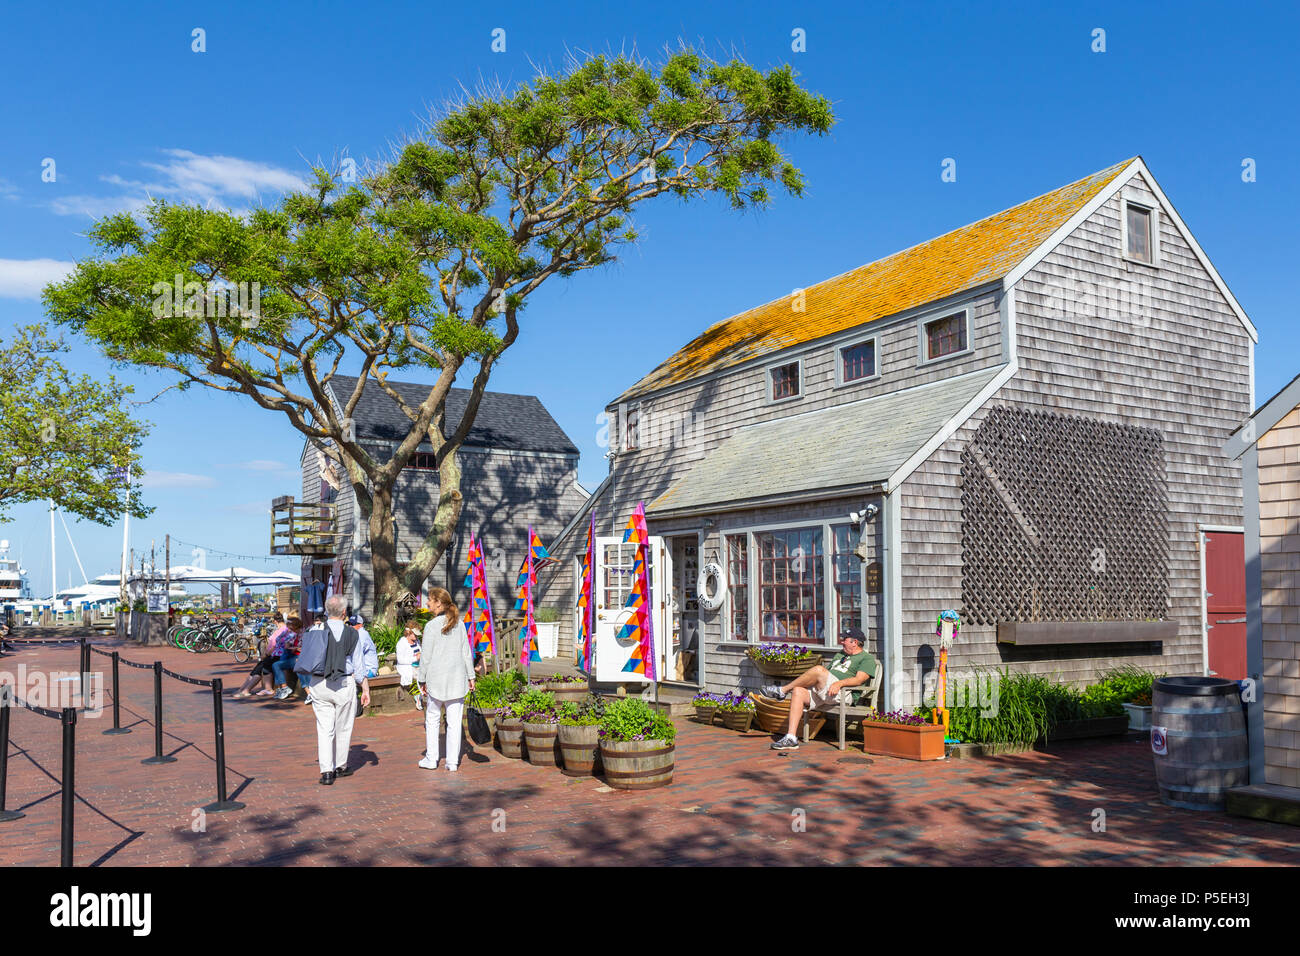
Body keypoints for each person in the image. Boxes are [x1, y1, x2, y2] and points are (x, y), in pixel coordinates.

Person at [762, 626, 877, 751]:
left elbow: (859, 679)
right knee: (798, 691)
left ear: (855, 642)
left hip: (842, 694)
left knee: (818, 670)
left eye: (845, 639)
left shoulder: (867, 658)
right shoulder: (841, 654)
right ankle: (791, 738)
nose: (842, 642)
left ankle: (782, 691)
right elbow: (827, 673)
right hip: (825, 691)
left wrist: (839, 684)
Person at [297, 595, 372, 785]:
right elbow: (358, 665)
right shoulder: (353, 633)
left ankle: (327, 771)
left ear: (327, 611)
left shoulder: (314, 629)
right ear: (345, 612)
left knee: (324, 728)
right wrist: (365, 689)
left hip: (319, 682)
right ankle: (341, 765)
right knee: (344, 726)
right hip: (344, 683)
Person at [416, 587, 475, 773]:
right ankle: (452, 762)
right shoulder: (459, 624)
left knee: (432, 719)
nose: (427, 603)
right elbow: (466, 653)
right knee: (454, 722)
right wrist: (471, 676)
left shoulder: (431, 626)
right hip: (457, 679)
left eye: (430, 600)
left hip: (436, 680)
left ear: (438, 603)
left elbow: (425, 656)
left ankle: (432, 758)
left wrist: (421, 679)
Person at [233, 611, 285, 698]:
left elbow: (275, 645)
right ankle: (242, 689)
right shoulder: (280, 629)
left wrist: (266, 654)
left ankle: (246, 690)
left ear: (275, 621)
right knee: (258, 667)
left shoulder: (282, 630)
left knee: (261, 666)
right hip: (272, 655)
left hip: (276, 655)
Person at [270, 616, 304, 700]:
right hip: (288, 654)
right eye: (287, 625)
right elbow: (279, 640)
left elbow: (288, 646)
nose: (288, 627)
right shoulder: (290, 633)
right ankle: (281, 688)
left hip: (295, 656)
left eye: (289, 625)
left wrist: (292, 647)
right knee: (276, 664)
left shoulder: (298, 634)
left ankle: (283, 688)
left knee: (278, 664)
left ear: (295, 625)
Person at [395, 621, 423, 710]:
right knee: (412, 678)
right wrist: (415, 658)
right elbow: (400, 660)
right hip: (407, 666)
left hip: (419, 666)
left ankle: (423, 696)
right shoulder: (401, 643)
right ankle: (418, 697)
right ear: (408, 633)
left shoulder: (417, 641)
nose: (416, 636)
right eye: (415, 634)